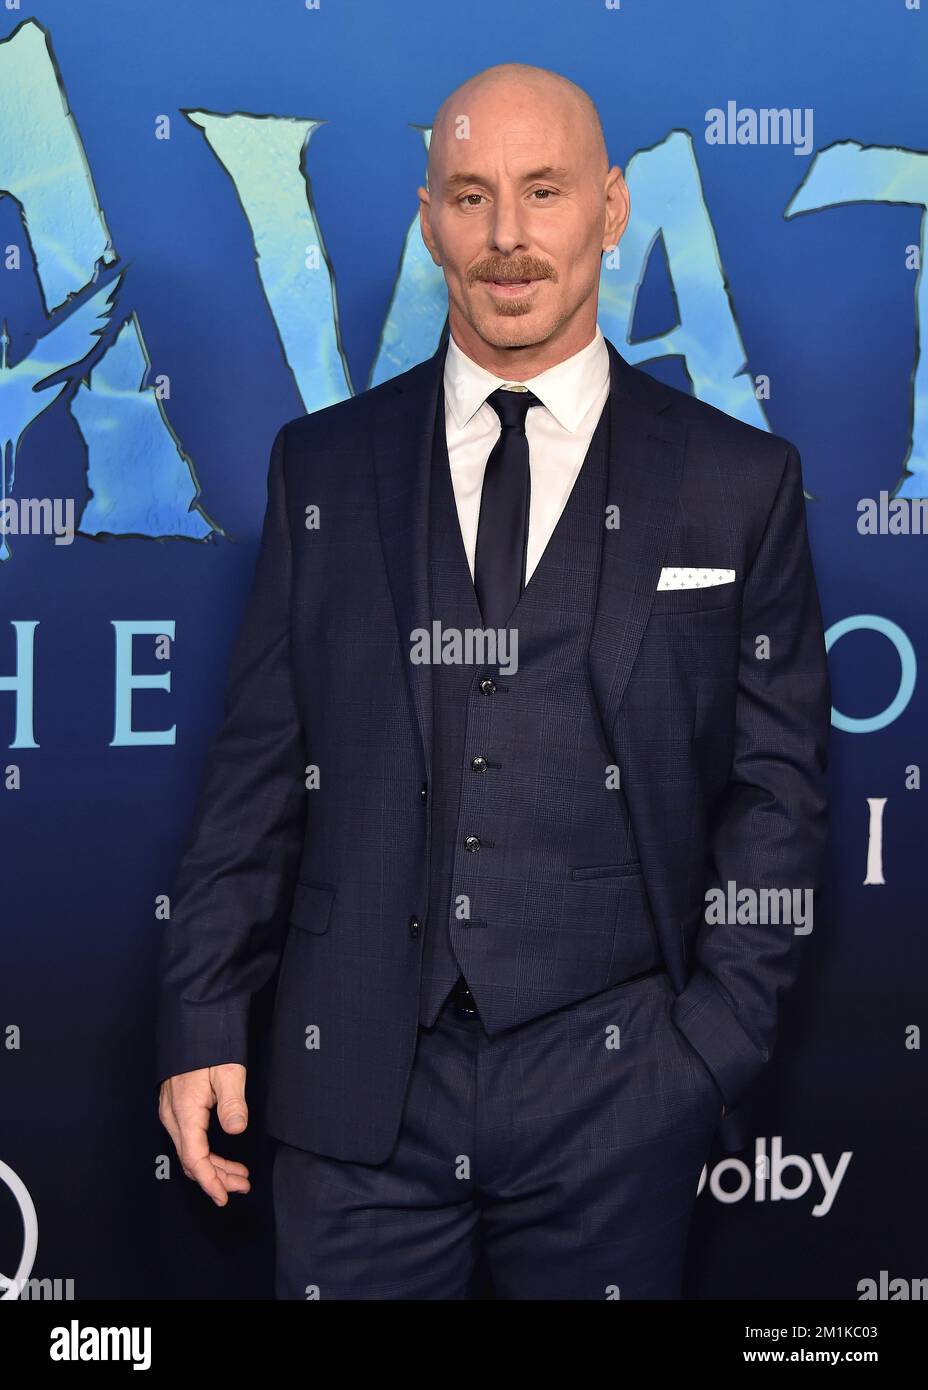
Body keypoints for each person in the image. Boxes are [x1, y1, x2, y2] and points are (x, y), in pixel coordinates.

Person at [156, 62, 831, 1299]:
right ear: (428, 221)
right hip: (354, 1082)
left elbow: (776, 800)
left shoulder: (739, 484)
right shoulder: (322, 467)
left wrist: (709, 1048)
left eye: (543, 191)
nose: (508, 239)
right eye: (470, 198)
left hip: (617, 1094)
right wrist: (205, 1014)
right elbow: (255, 771)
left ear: (613, 209)